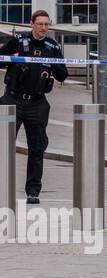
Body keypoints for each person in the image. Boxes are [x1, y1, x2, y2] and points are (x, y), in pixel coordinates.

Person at [1, 11, 67, 204]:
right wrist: (13, 57)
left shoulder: (52, 46)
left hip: (37, 103)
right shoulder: (19, 41)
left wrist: (53, 65)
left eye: (47, 24)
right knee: (4, 146)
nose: (43, 28)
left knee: (37, 149)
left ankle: (33, 191)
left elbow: (63, 74)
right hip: (13, 99)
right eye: (40, 24)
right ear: (31, 24)